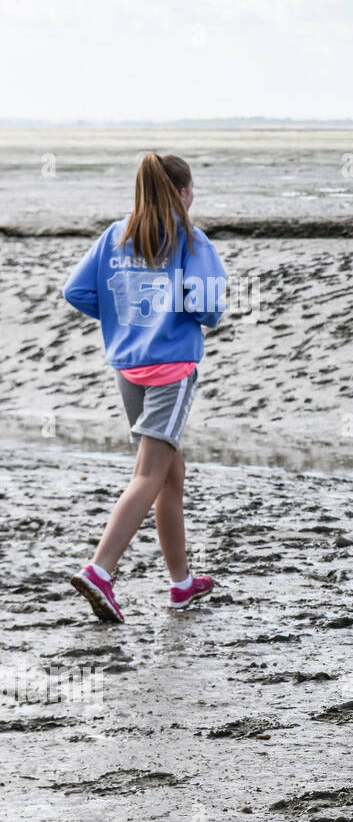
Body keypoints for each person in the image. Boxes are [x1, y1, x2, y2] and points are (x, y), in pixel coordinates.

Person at [63, 152, 227, 622]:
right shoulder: (191, 241)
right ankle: (99, 570)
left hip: (128, 366)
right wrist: (174, 314)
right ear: (181, 192)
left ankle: (181, 584)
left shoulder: (116, 235)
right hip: (171, 370)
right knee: (149, 476)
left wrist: (125, 320)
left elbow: (76, 291)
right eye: (191, 189)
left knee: (171, 477)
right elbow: (208, 308)